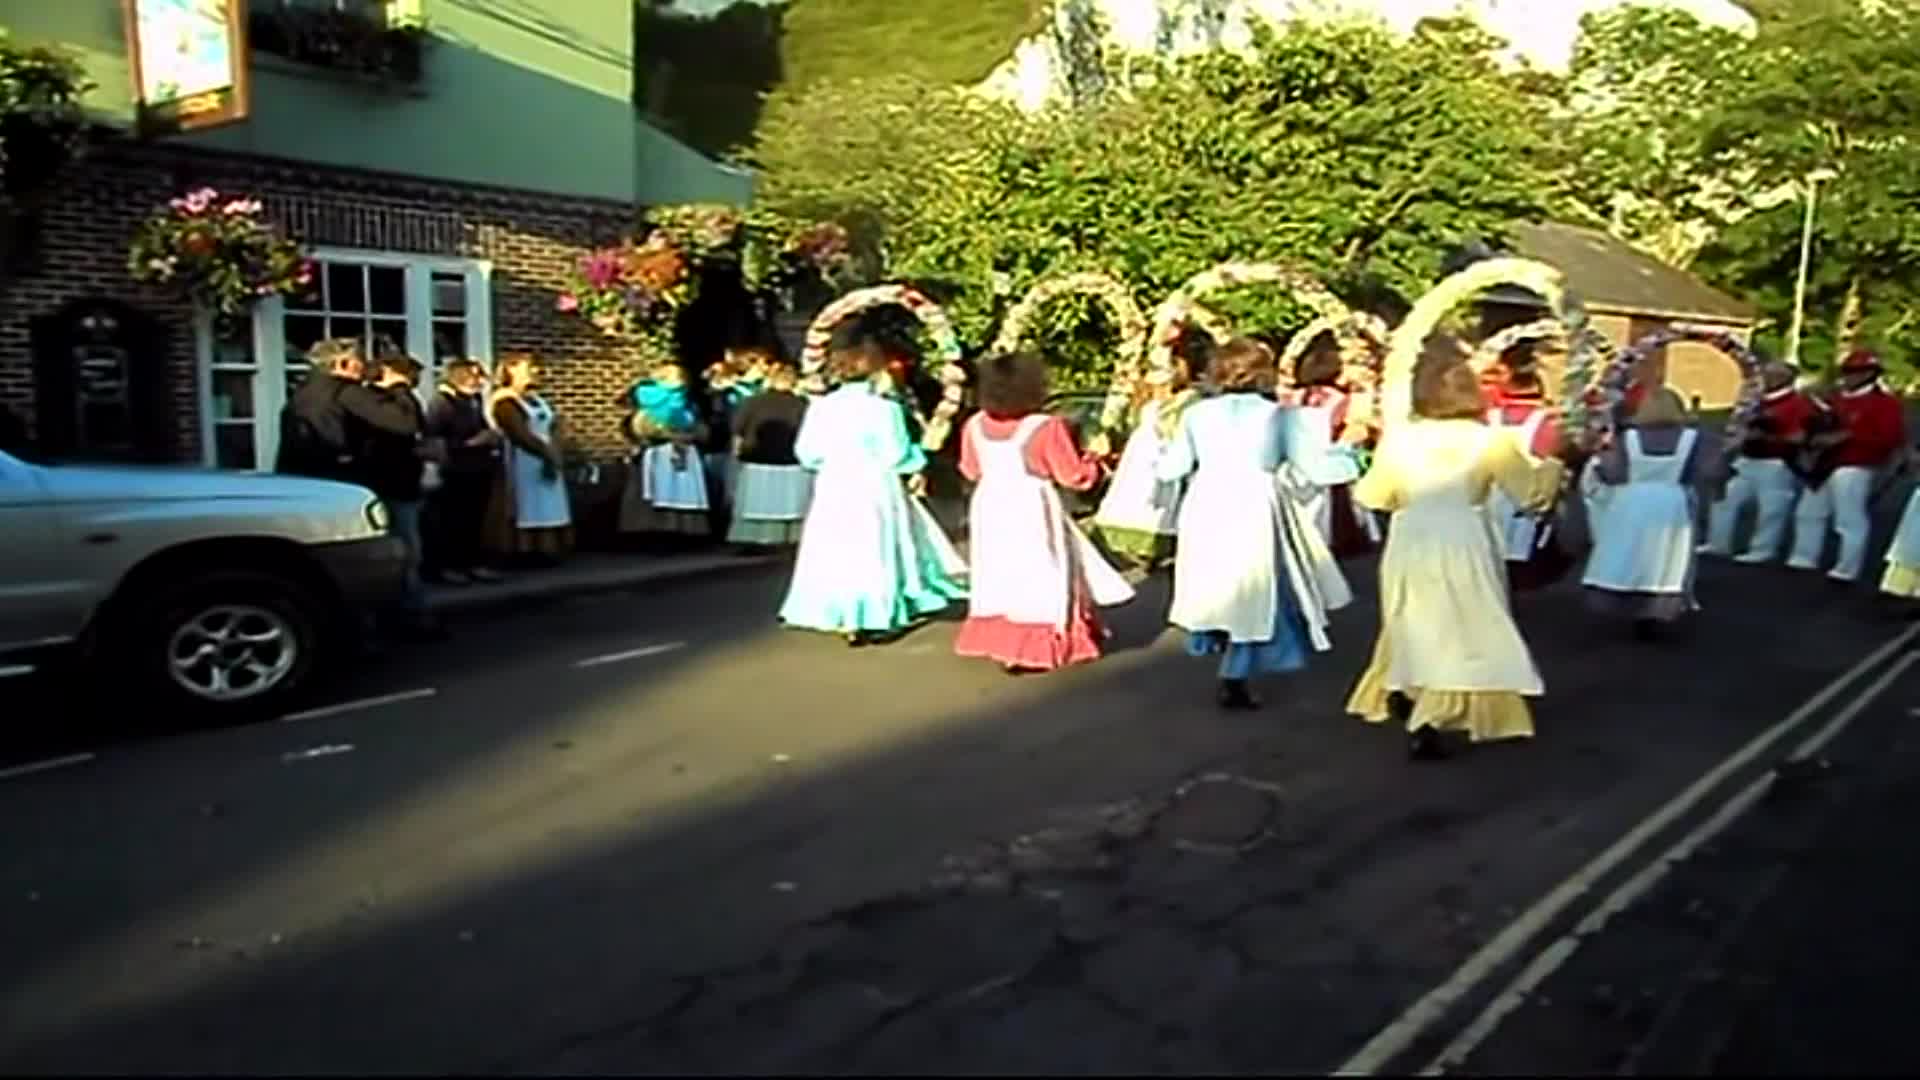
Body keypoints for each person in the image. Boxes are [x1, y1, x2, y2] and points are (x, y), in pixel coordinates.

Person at [1344, 333, 1564, 760]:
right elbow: (1532, 496)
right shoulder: (1491, 441)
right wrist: (1556, 461)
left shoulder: (1401, 439)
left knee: (1414, 617)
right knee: (1468, 624)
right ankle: (1433, 713)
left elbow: (1372, 496)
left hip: (1411, 537)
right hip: (1467, 536)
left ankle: (1408, 688)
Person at [1158, 337, 1350, 711]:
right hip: (1254, 503)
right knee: (1255, 589)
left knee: (1217, 582)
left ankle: (1226, 655)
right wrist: (1352, 459)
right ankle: (1236, 674)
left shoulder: (1196, 414)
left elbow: (1173, 468)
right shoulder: (1279, 416)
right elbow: (1316, 469)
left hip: (1207, 500)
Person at [778, 341, 967, 647]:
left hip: (835, 484)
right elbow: (897, 454)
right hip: (874, 484)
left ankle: (838, 611)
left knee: (836, 546)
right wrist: (920, 457)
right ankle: (872, 613)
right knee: (874, 546)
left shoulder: (820, 408)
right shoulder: (885, 409)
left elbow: (807, 454)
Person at [955, 351, 1134, 674]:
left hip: (990, 505)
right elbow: (1074, 476)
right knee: (1045, 569)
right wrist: (1096, 461)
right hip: (1031, 504)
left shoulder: (974, 425)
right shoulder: (1045, 426)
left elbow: (970, 469)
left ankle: (1005, 644)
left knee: (999, 570)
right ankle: (1042, 641)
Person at [1582, 387, 1725, 638]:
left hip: (1631, 500)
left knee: (1627, 553)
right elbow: (1710, 471)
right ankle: (1657, 610)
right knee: (1667, 557)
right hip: (1673, 501)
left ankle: (1623, 600)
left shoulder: (1628, 438)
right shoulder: (1695, 438)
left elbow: (1612, 473)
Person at [1091, 328, 1209, 572]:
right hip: (1142, 461)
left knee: (1158, 505)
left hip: (1164, 459)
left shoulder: (1191, 401)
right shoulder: (1155, 401)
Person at [1787, 349, 1907, 583]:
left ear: (1871, 374)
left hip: (1855, 464)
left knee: (1849, 519)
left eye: (1857, 372)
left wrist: (1848, 436)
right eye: (1849, 371)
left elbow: (1890, 438)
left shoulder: (1885, 404)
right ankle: (1803, 558)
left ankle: (1846, 569)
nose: (1850, 377)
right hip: (1822, 463)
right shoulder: (1836, 400)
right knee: (1808, 513)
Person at [1701, 360, 1817, 563]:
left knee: (1771, 508)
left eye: (1775, 375)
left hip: (1776, 462)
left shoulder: (1798, 404)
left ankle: (1763, 549)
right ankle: (1718, 543)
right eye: (1768, 373)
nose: (1768, 378)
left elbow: (1800, 437)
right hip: (1747, 459)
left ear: (1787, 378)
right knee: (1725, 499)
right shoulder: (1758, 402)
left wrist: (1767, 437)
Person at [359, 352, 441, 635]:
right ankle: (411, 613)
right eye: (408, 375)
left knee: (402, 550)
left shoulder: (371, 399)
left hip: (393, 482)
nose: (412, 382)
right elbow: (411, 431)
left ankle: (401, 612)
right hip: (393, 482)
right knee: (406, 551)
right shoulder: (391, 400)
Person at [1278, 332, 1375, 559]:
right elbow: (1355, 429)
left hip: (1296, 462)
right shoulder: (1341, 399)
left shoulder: (1292, 397)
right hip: (1332, 462)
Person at [275, 337, 419, 486]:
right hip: (340, 481)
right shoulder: (345, 392)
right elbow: (405, 422)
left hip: (297, 480)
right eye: (359, 360)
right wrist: (398, 386)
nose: (364, 366)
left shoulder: (300, 394)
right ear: (343, 364)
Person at [1485, 362, 1573, 591]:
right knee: (1518, 561)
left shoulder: (1487, 417)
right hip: (1528, 495)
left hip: (1489, 494)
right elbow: (1552, 457)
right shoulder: (1547, 421)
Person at [485, 351, 573, 565]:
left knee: (549, 504)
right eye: (530, 367)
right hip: (524, 458)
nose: (536, 372)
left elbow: (555, 424)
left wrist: (556, 447)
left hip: (547, 455)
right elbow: (518, 432)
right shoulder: (505, 400)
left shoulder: (536, 398)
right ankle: (523, 551)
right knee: (527, 505)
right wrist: (544, 452)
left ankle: (549, 549)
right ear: (511, 369)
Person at [423, 358, 504, 585]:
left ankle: (473, 563)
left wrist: (490, 437)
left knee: (475, 519)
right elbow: (434, 441)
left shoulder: (474, 401)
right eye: (475, 376)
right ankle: (451, 566)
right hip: (456, 470)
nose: (480, 381)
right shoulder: (442, 403)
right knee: (453, 521)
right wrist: (470, 443)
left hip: (479, 467)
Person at [618, 359, 712, 544]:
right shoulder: (650, 401)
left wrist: (694, 434)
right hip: (659, 452)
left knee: (684, 491)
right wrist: (668, 435)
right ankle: (655, 532)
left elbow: (699, 426)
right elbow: (642, 426)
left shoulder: (686, 403)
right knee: (657, 491)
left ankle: (684, 531)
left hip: (686, 452)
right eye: (676, 377)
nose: (682, 381)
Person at [727, 361, 813, 550]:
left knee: (757, 503)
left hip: (756, 460)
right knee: (787, 504)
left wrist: (736, 455)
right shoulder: (802, 404)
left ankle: (755, 538)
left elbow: (738, 431)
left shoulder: (752, 402)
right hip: (790, 461)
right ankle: (786, 537)